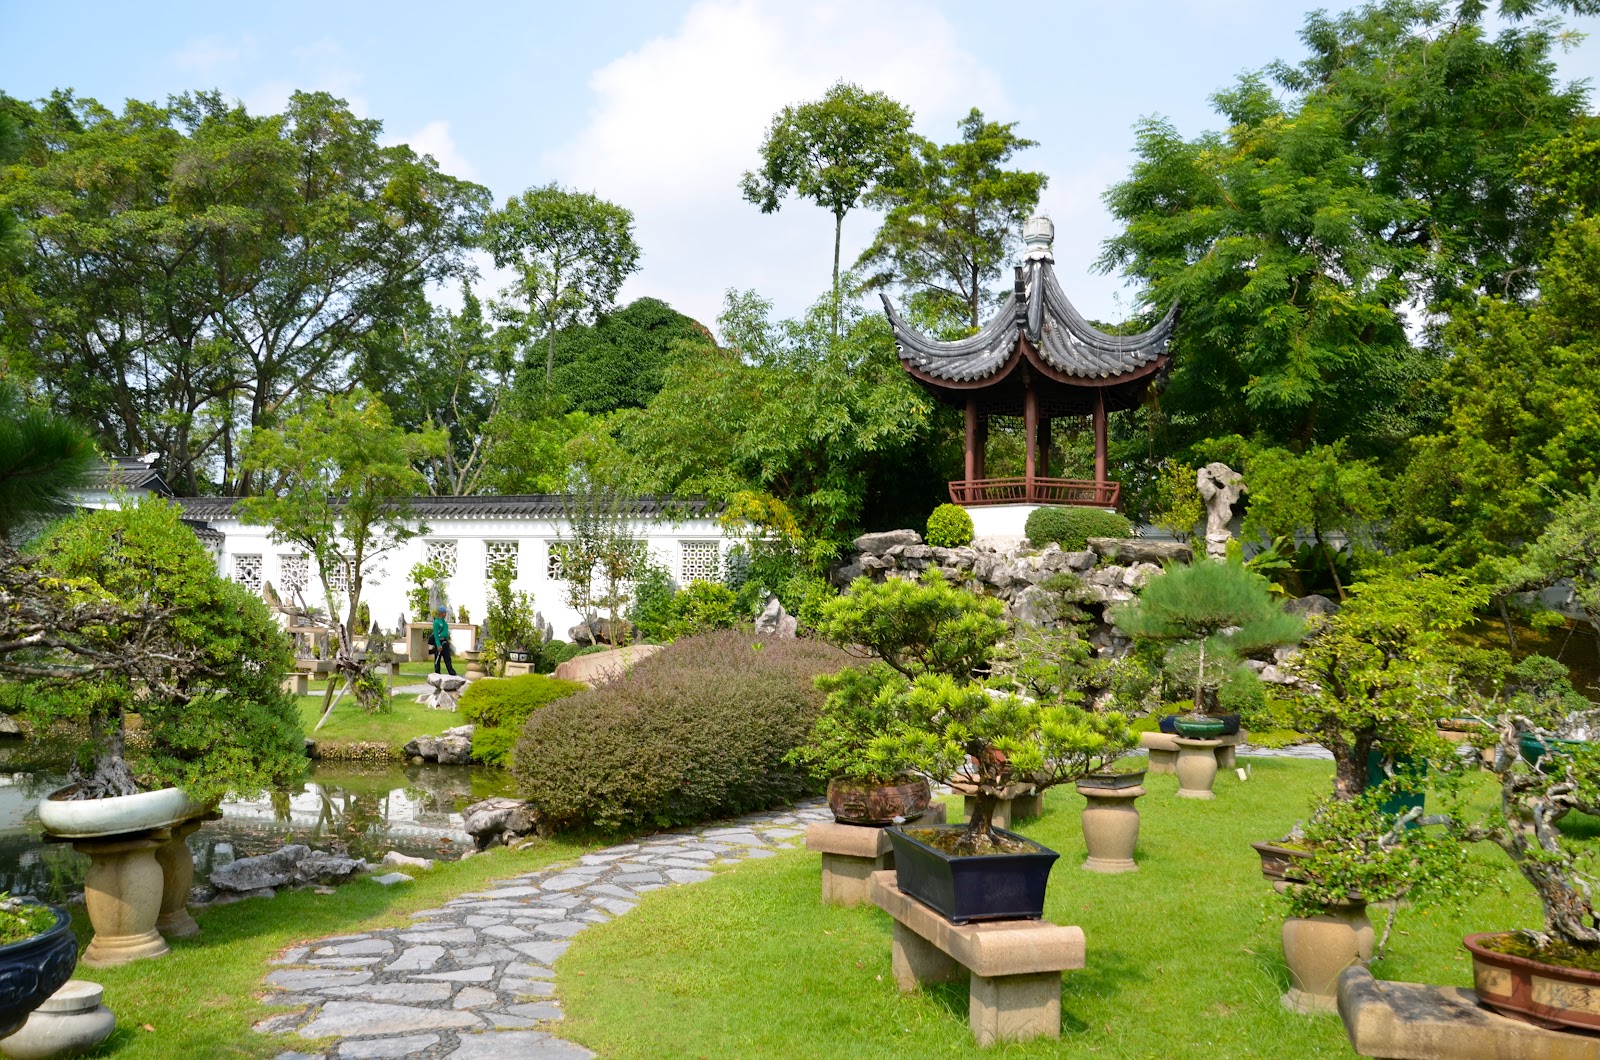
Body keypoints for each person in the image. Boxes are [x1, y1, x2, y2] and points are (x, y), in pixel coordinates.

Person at [431, 607, 455, 676]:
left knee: (447, 658)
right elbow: (436, 634)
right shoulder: (436, 622)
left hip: (445, 641)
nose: (446, 614)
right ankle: (437, 672)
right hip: (439, 641)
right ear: (441, 613)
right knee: (438, 658)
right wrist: (438, 645)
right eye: (444, 612)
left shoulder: (444, 622)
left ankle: (452, 672)